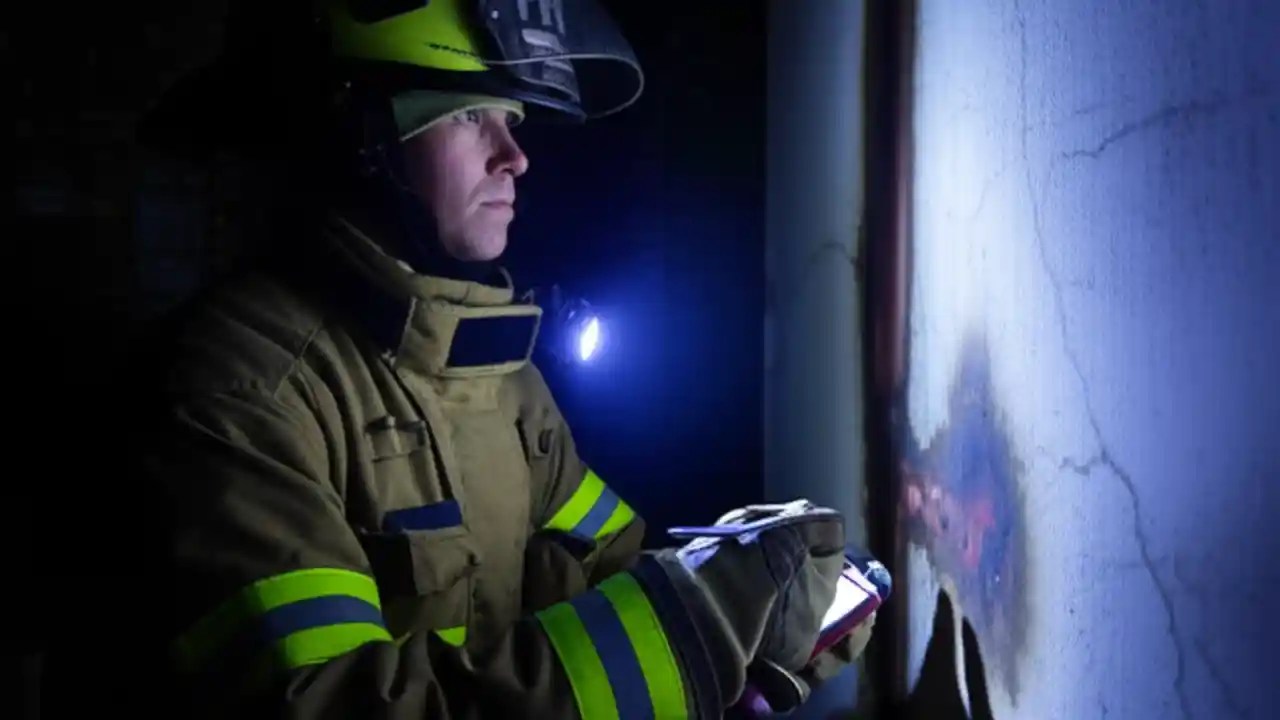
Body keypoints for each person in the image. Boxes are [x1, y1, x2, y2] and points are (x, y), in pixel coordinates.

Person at [128, 1, 876, 717]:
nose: (515, 156)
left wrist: (760, 627)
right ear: (355, 140)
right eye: (465, 115)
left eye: (512, 118)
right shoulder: (244, 389)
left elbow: (605, 571)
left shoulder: (500, 374)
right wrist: (694, 626)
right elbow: (331, 704)